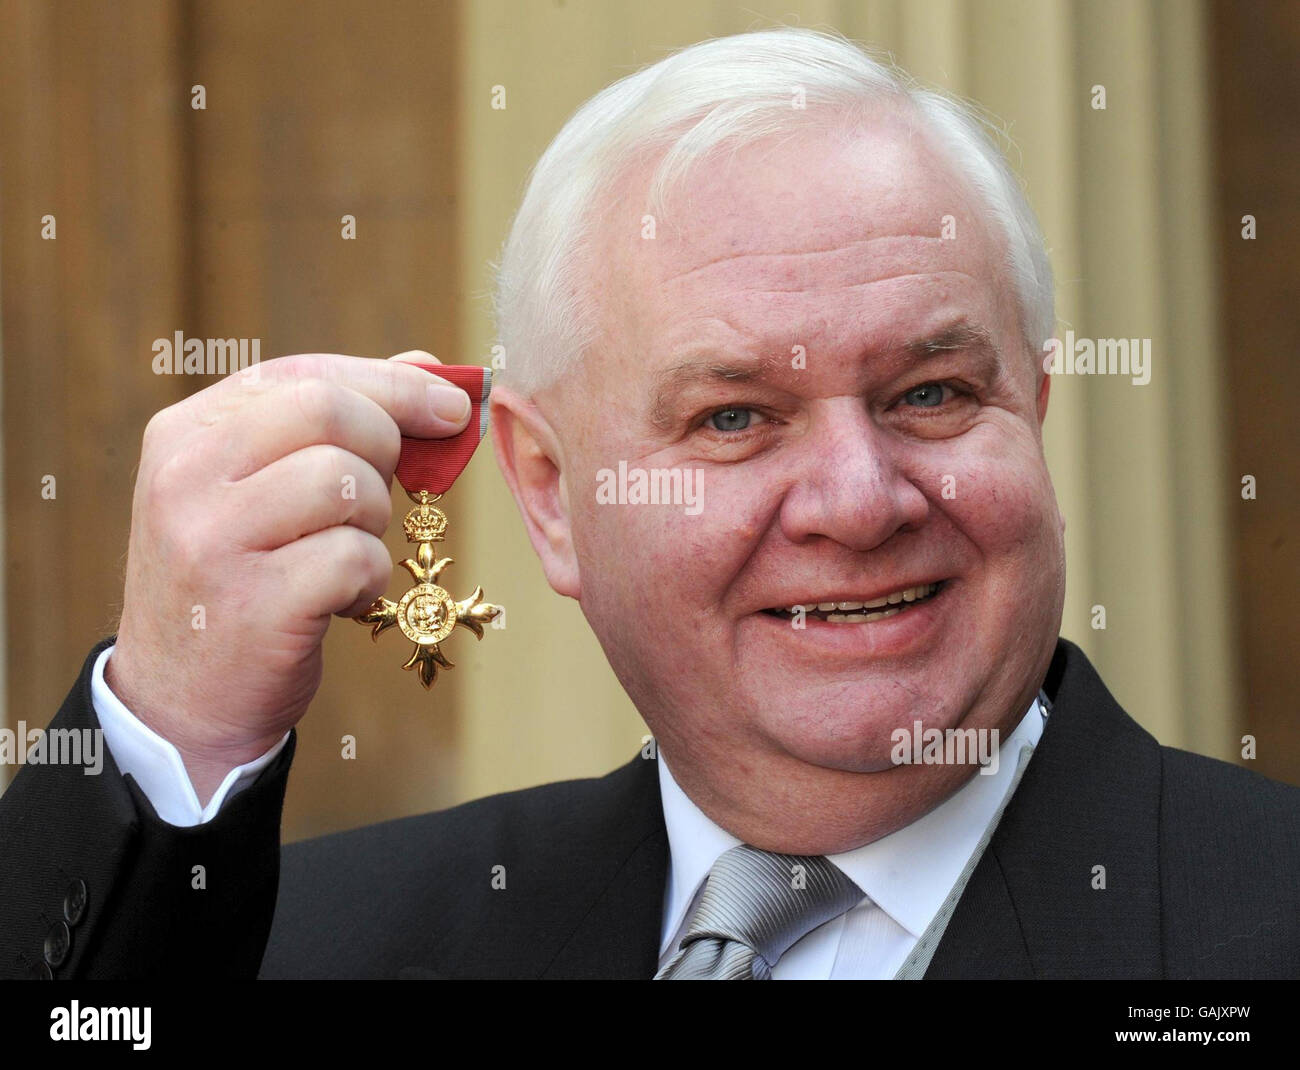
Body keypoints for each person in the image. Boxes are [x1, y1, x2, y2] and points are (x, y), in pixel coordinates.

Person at [2, 27, 1296, 980]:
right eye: (733, 416)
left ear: (1036, 408)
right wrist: (173, 734)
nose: (858, 498)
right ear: (551, 495)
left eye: (935, 392)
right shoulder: (326, 941)